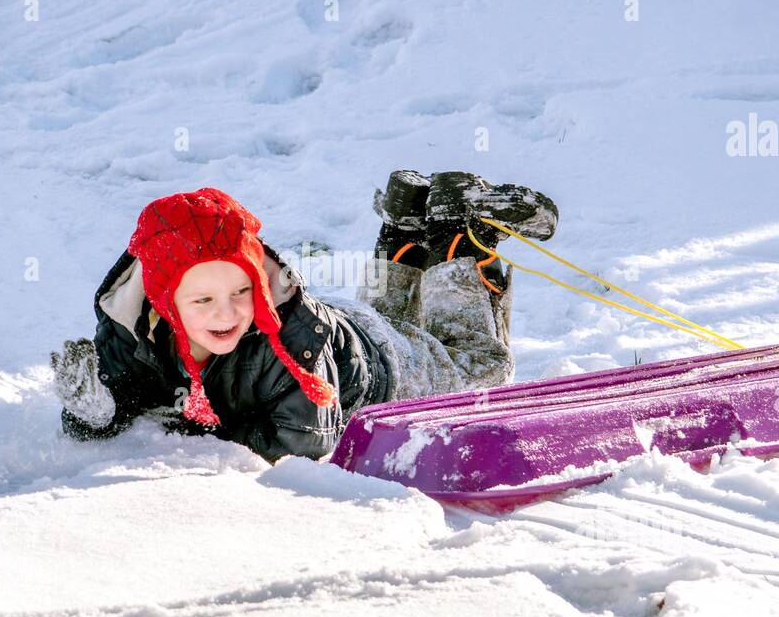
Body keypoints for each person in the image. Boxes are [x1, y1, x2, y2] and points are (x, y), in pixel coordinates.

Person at [50, 170, 558, 464]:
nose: (227, 312)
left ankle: (455, 247)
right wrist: (92, 409)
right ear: (163, 301)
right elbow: (122, 399)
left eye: (242, 291)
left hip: (384, 369)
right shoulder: (134, 331)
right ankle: (403, 230)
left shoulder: (284, 345)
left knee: (479, 370)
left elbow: (306, 445)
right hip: (345, 331)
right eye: (202, 301)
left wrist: (200, 431)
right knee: (401, 325)